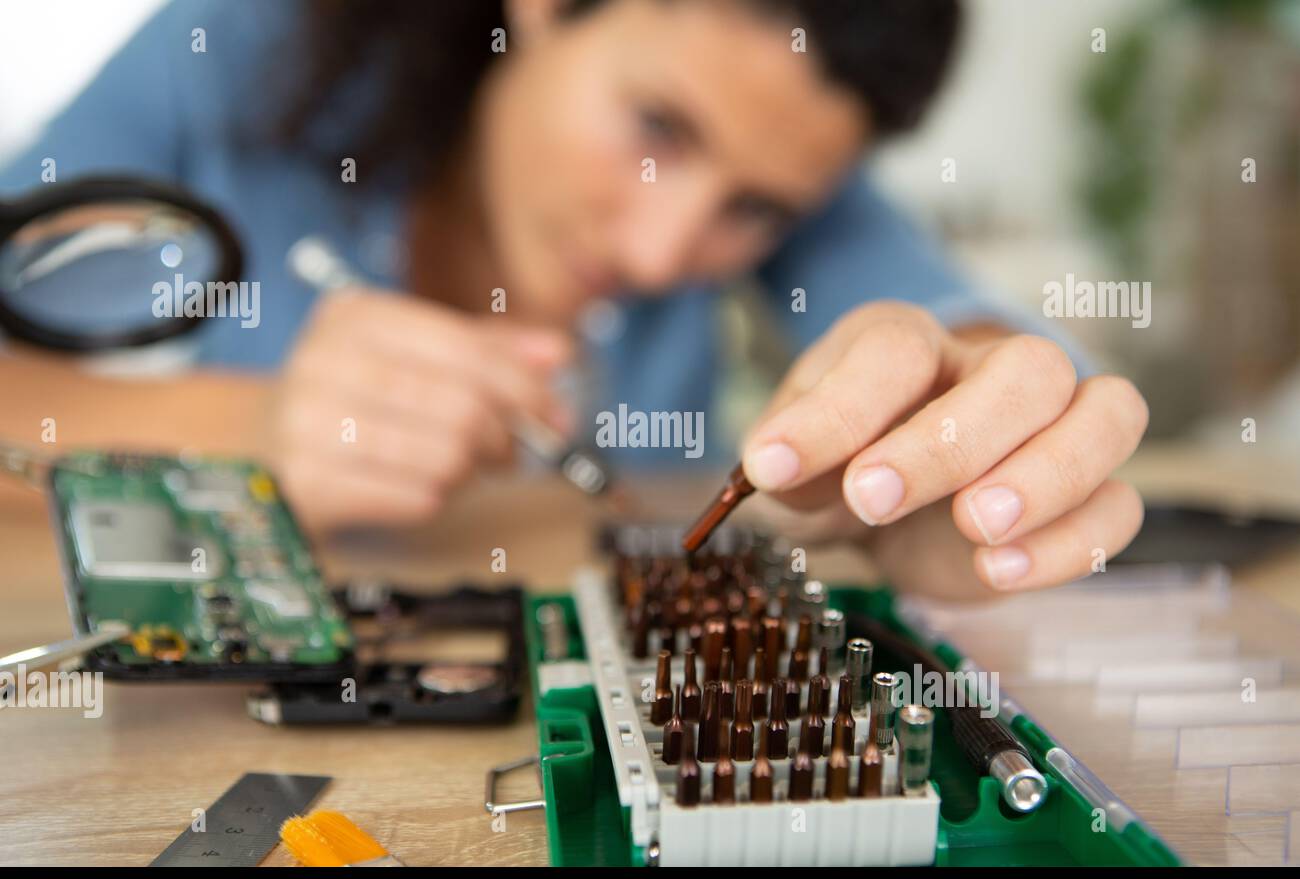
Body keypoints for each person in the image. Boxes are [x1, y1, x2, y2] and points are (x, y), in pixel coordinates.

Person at [0, 0, 1148, 599]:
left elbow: (945, 326)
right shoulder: (236, 48)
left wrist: (985, 446)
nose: (661, 254)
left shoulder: (797, 153)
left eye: (755, 208)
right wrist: (244, 439)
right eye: (658, 129)